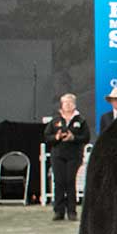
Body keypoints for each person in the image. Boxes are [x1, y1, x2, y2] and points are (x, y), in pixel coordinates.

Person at [44, 92, 90, 221]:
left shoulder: (80, 120)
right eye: (66, 103)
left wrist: (73, 137)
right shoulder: (55, 120)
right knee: (59, 181)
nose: (68, 105)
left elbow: (86, 137)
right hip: (58, 155)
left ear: (74, 105)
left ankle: (72, 211)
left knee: (70, 181)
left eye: (70, 103)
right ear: (62, 105)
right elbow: (47, 137)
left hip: (74, 155)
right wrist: (57, 137)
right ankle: (58, 211)